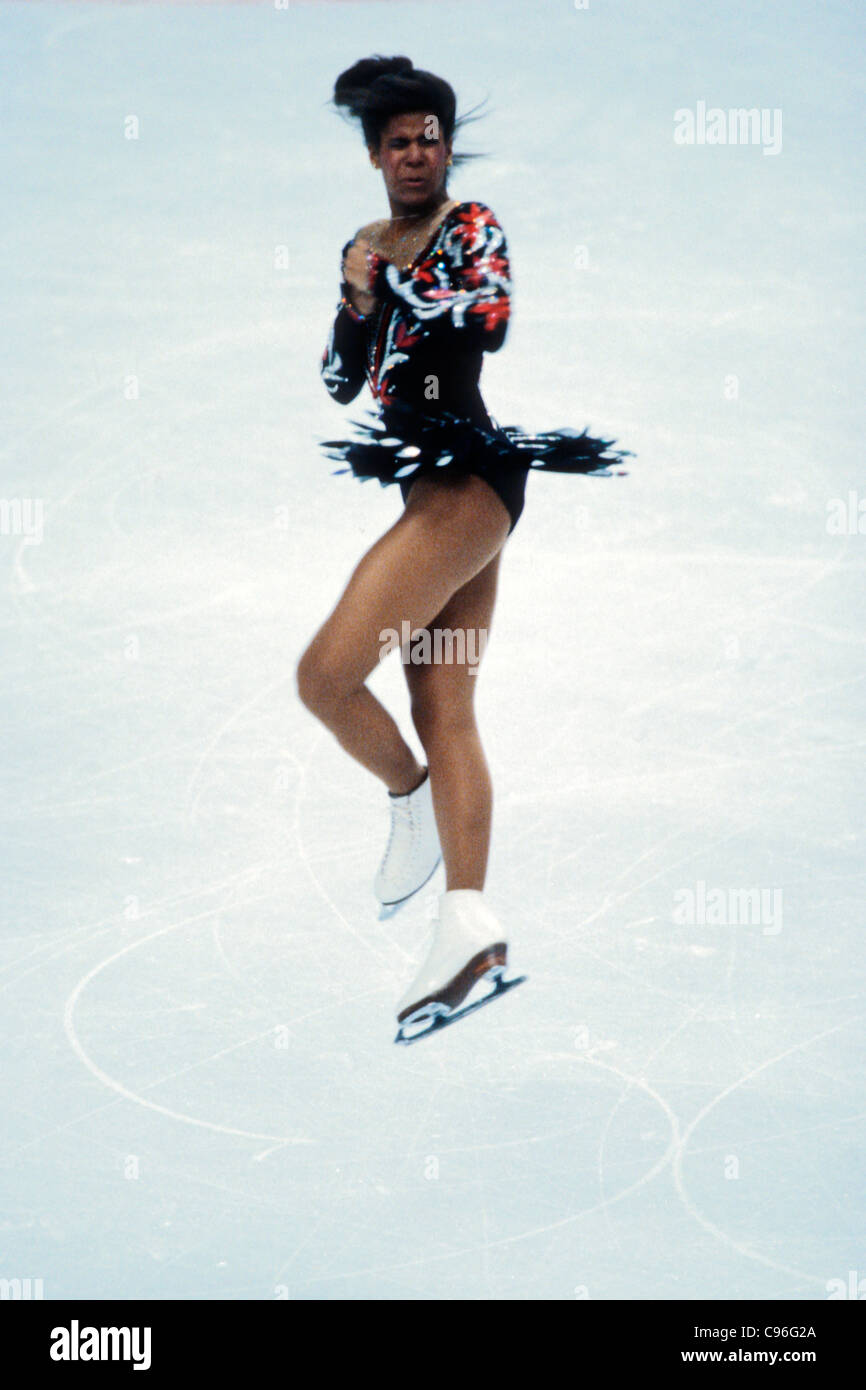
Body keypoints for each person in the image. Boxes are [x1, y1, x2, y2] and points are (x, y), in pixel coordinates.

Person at [297, 56, 629, 1040]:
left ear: (446, 145)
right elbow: (335, 382)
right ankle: (467, 924)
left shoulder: (468, 227)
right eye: (397, 140)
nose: (415, 152)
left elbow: (484, 319)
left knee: (324, 677)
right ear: (373, 153)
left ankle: (408, 803)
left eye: (429, 136)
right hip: (434, 485)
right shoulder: (366, 243)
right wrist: (355, 301)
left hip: (465, 486)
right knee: (440, 702)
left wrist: (401, 281)